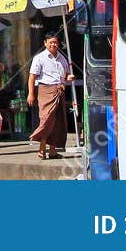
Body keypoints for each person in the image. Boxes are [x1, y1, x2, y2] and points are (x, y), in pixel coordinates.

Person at [28, 30, 76, 159]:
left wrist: (68, 77)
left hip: (59, 90)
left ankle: (53, 151)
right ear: (45, 43)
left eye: (55, 42)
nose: (53, 45)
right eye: (51, 42)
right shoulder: (39, 58)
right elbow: (32, 77)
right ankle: (42, 148)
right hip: (45, 91)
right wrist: (31, 94)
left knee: (57, 122)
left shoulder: (62, 58)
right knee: (47, 120)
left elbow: (65, 75)